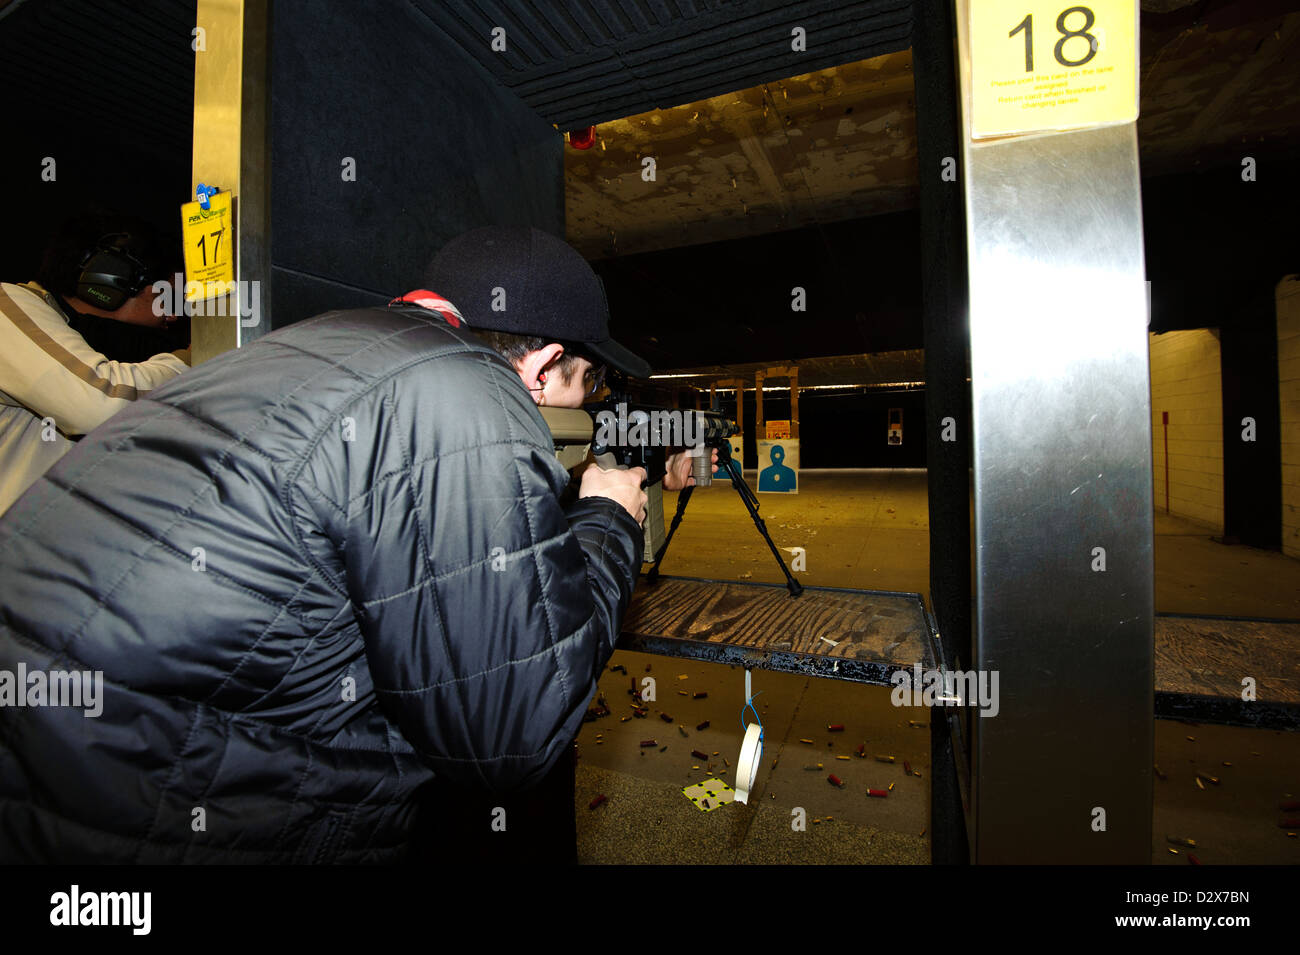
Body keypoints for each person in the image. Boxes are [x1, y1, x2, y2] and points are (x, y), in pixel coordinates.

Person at [0, 225, 697, 863]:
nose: (586, 399)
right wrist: (610, 520)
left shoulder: (318, 343)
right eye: (588, 379)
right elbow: (514, 727)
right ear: (543, 365)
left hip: (55, 750)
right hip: (154, 792)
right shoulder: (468, 392)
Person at [0, 215, 190, 516]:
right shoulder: (5, 307)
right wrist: (193, 363)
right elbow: (100, 403)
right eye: (167, 296)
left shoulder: (65, 331)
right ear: (112, 276)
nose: (173, 316)